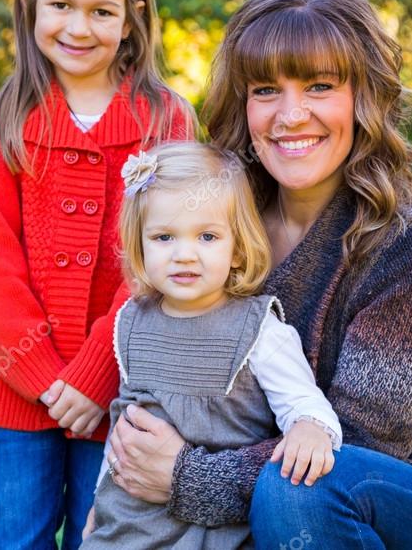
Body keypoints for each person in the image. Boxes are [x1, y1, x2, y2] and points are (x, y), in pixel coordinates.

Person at [0, 0, 412, 549]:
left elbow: (353, 444)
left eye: (321, 86)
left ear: (365, 98)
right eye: (265, 90)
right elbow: (135, 276)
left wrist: (184, 475)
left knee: (300, 487)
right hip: (268, 512)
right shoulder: (215, 221)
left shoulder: (411, 246)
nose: (290, 114)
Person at [0, 0, 192, 550]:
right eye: (62, 4)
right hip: (19, 398)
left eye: (102, 11)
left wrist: (94, 377)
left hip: (123, 396)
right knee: (12, 536)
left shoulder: (164, 121)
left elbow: (156, 262)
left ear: (133, 16)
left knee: (108, 539)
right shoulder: (5, 118)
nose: (79, 27)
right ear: (30, 2)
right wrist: (41, 377)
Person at [80, 143, 343, 549]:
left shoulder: (259, 330)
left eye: (207, 236)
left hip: (213, 531)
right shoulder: (131, 321)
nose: (185, 254)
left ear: (237, 249)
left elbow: (303, 404)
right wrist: (99, 501)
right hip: (126, 528)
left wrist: (310, 427)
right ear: (140, 246)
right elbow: (125, 426)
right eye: (164, 237)